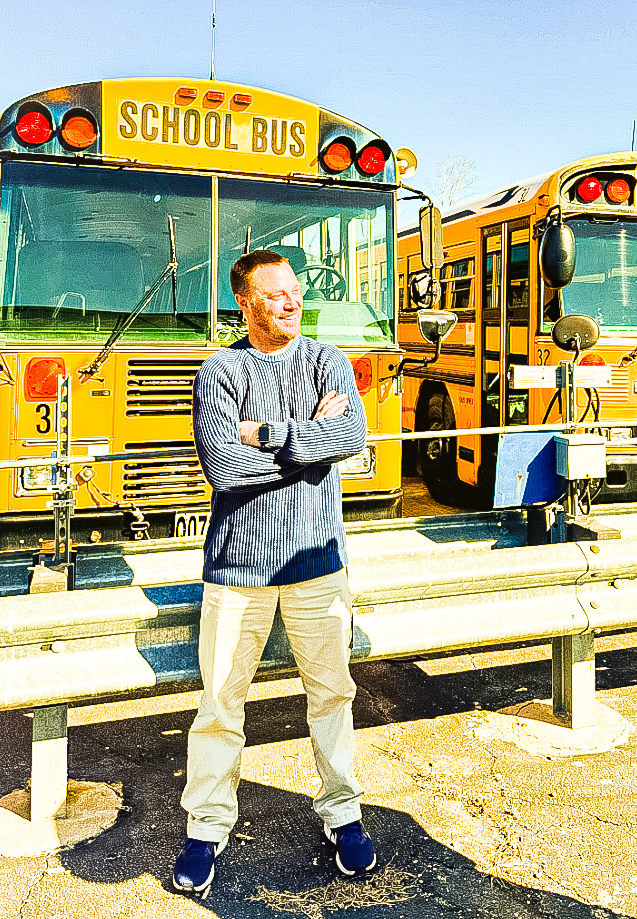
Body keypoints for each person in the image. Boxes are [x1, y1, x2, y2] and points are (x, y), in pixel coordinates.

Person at [172, 249, 376, 899]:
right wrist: (308, 439)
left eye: (295, 290)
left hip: (318, 564)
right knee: (220, 704)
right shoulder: (220, 371)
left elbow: (351, 438)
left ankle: (343, 812)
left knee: (333, 694)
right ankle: (206, 826)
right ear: (245, 302)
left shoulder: (326, 359)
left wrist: (264, 434)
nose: (292, 301)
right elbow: (223, 469)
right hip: (237, 569)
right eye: (276, 293)